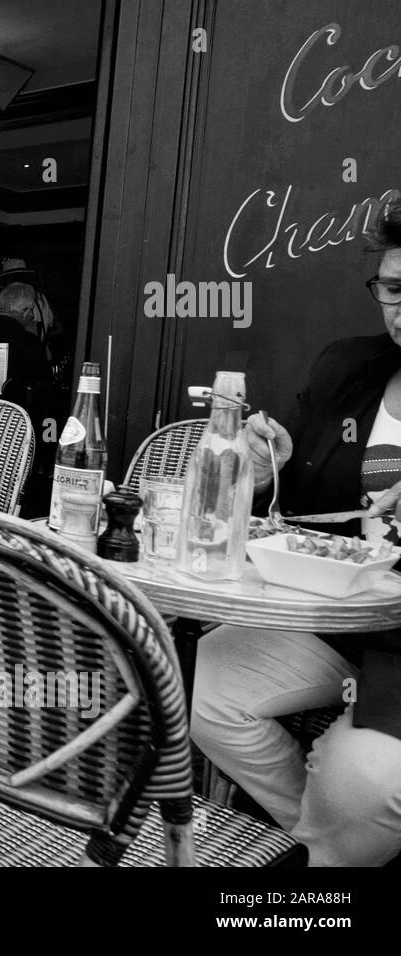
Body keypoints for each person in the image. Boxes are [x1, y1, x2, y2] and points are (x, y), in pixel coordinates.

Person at [190, 200, 401, 866]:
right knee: (201, 685)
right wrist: (266, 470)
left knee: (362, 778)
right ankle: (318, 845)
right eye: (395, 288)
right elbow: (303, 513)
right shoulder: (347, 371)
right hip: (335, 622)